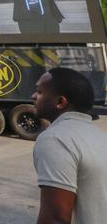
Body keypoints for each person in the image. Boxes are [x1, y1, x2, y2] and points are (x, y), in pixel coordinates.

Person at [32, 66, 107, 224]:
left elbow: (55, 219)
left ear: (60, 102)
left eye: (39, 92)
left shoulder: (55, 139)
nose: (33, 96)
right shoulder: (100, 135)